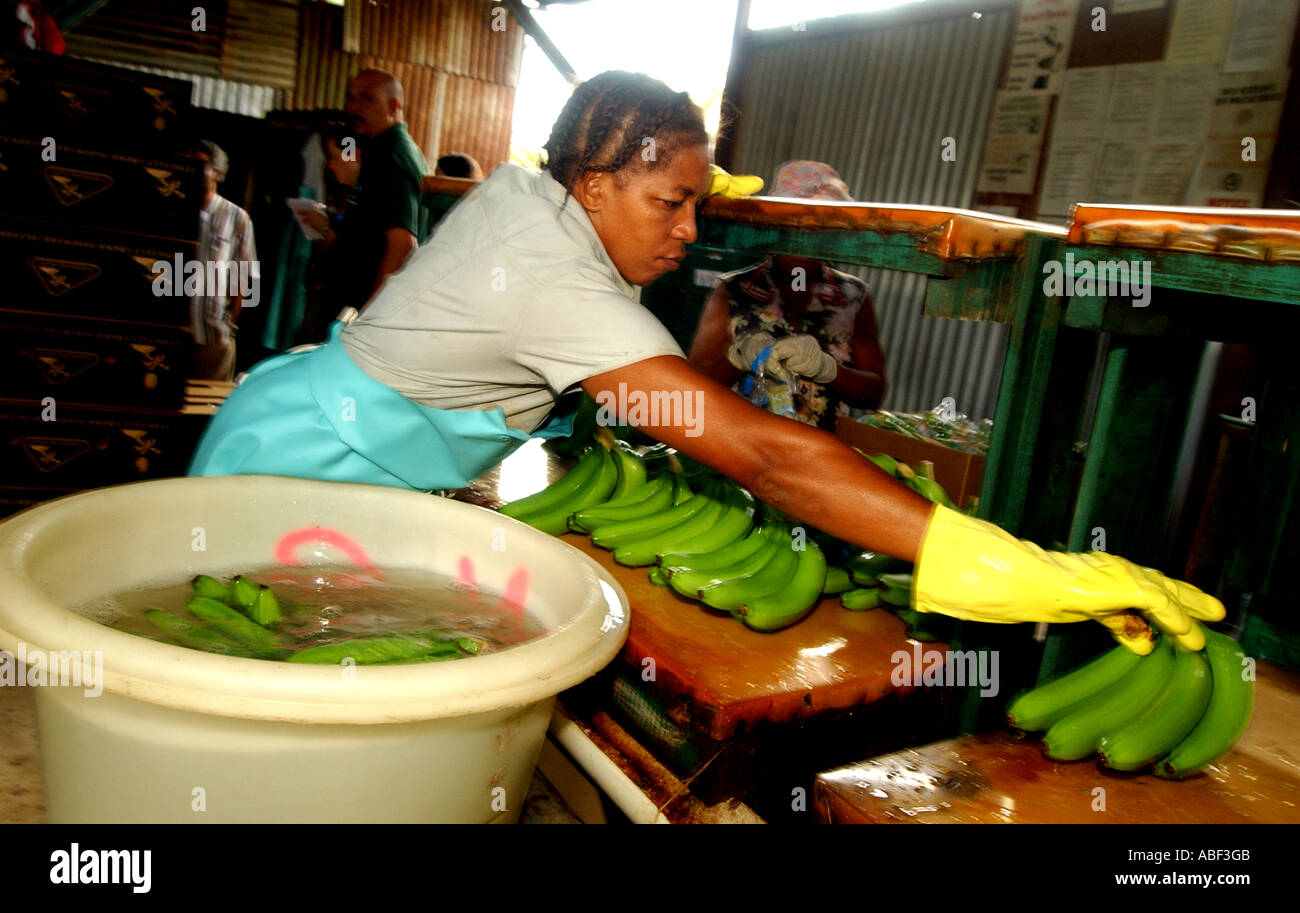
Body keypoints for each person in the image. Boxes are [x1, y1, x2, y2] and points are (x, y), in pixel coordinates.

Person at [188, 71, 1222, 655]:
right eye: (669, 202)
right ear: (591, 183)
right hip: (307, 471)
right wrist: (1011, 565)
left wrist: (674, 168)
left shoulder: (526, 184)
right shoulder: (557, 284)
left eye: (701, 201)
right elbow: (767, 460)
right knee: (257, 684)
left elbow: (595, 168)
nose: (688, 231)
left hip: (293, 412)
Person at [688, 161, 886, 429]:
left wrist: (827, 368)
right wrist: (737, 359)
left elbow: (873, 394)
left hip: (821, 456)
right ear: (776, 228)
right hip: (741, 450)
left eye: (816, 230)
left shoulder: (852, 297)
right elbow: (694, 390)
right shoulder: (734, 290)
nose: (803, 243)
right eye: (794, 228)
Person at [340, 68, 430, 310]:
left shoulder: (392, 156)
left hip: (364, 311)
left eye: (366, 98)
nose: (354, 108)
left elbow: (403, 245)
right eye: (351, 97)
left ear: (393, 106)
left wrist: (367, 319)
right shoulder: (377, 148)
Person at [191, 139, 258, 381]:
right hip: (176, 335)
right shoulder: (175, 210)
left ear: (217, 173)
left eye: (201, 165)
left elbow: (245, 276)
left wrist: (229, 323)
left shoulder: (236, 217)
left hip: (214, 339)